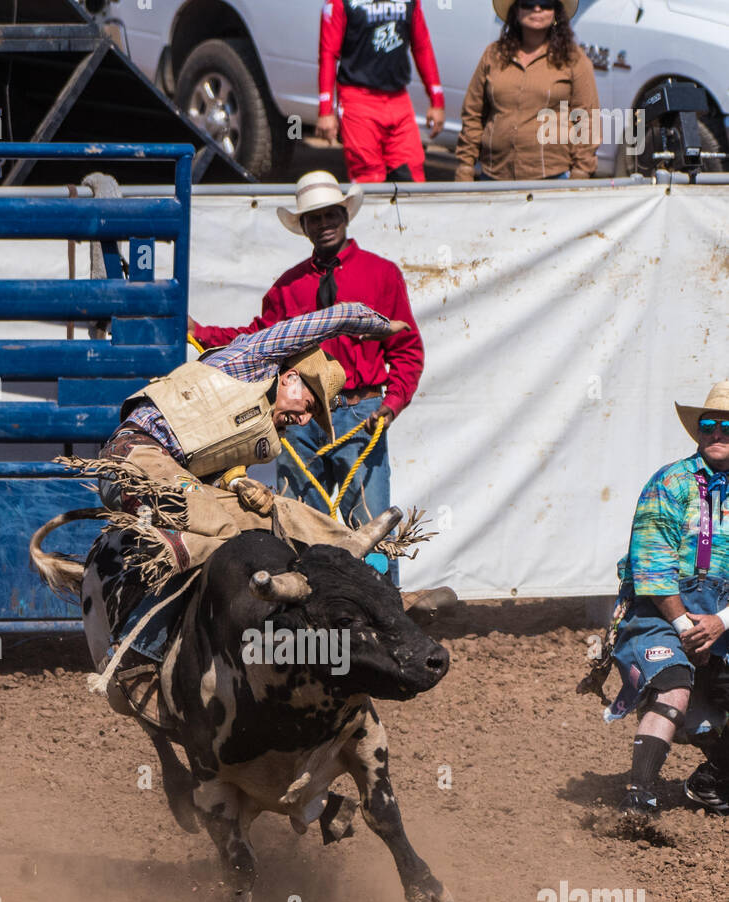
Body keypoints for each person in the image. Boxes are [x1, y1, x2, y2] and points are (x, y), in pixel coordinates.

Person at [67, 302, 453, 725]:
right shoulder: (250, 361)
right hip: (134, 461)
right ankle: (145, 650)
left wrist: (236, 483)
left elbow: (208, 452)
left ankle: (377, 591)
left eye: (311, 414)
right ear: (288, 377)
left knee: (279, 515)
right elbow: (323, 320)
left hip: (178, 477)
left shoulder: (263, 425)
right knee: (219, 532)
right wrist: (376, 324)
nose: (304, 417)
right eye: (308, 403)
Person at [189, 170, 424, 583]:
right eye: (313, 217)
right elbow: (254, 339)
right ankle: (307, 610)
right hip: (300, 420)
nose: (324, 223)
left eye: (330, 213)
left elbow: (406, 351)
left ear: (344, 215)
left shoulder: (382, 275)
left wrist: (391, 405)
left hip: (362, 414)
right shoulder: (288, 288)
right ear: (304, 226)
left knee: (369, 522)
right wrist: (198, 333)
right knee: (298, 519)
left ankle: (384, 613)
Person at [602, 382, 729, 818]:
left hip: (722, 617)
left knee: (707, 708)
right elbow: (651, 570)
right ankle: (639, 797)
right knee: (674, 685)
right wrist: (687, 629)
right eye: (709, 425)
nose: (717, 433)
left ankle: (716, 780)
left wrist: (721, 623)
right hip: (660, 613)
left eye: (727, 425)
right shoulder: (670, 482)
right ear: (698, 431)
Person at [455, 1, 600, 183]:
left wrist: (581, 173)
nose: (537, 8)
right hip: (493, 176)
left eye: (546, 3)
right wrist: (465, 166)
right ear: (516, 10)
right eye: (529, 2)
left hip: (552, 179)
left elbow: (587, 119)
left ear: (556, 12)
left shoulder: (574, 59)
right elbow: (472, 114)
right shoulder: (493, 54)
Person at [316, 0, 446, 184]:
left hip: (398, 99)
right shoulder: (339, 2)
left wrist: (437, 100)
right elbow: (328, 53)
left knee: (413, 176)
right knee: (369, 178)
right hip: (358, 100)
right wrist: (325, 110)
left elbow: (422, 45)